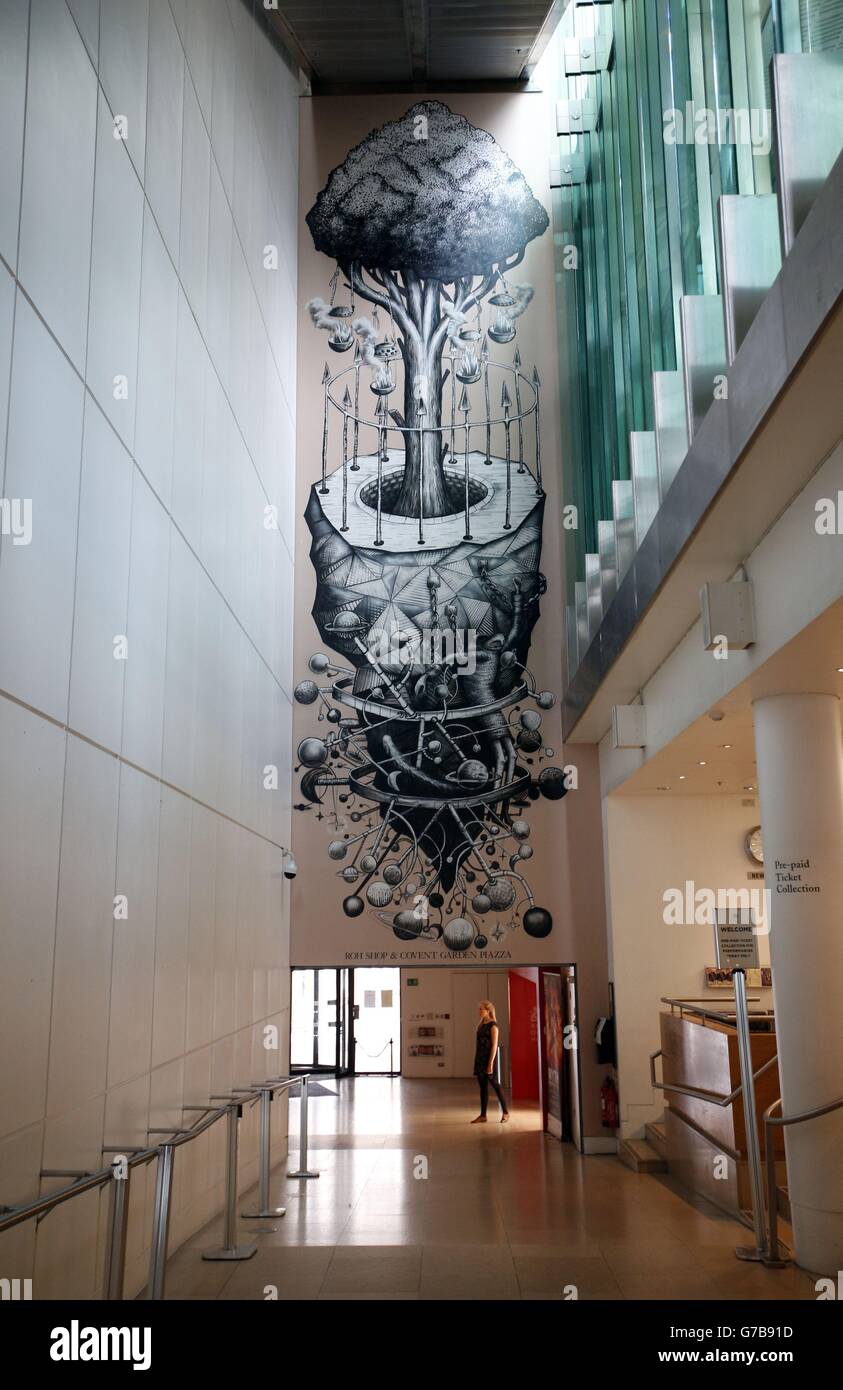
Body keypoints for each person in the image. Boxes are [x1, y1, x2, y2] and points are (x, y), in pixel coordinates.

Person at [471, 1001, 510, 1123]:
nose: (479, 1011)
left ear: (488, 1010)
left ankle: (506, 1112)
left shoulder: (493, 1026)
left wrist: (490, 1063)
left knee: (496, 1086)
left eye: (481, 1009)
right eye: (479, 1009)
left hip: (489, 1060)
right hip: (480, 1059)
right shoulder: (480, 1025)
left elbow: (494, 1046)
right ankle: (483, 1115)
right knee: (483, 1088)